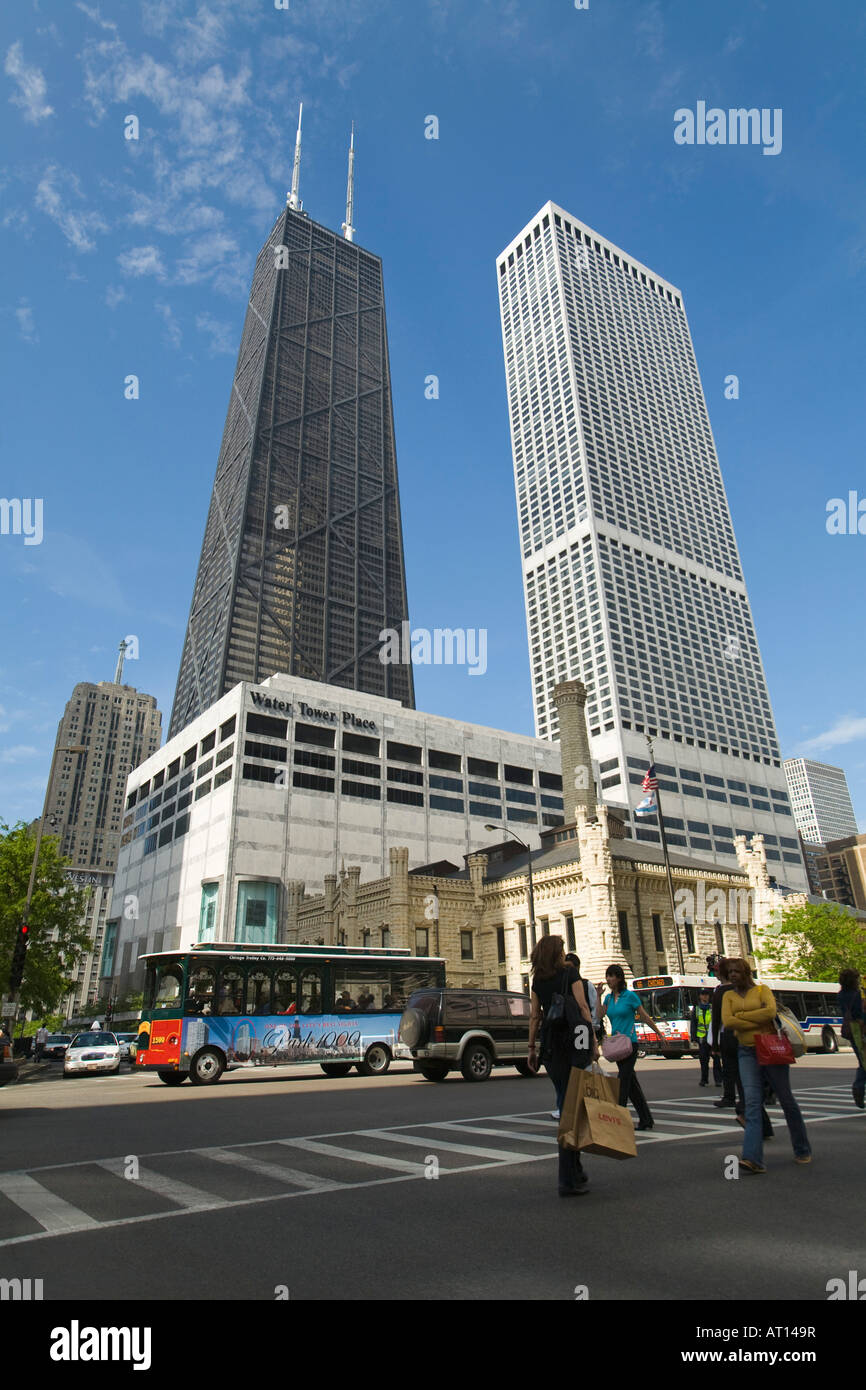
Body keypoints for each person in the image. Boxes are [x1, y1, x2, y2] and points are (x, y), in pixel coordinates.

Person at [722, 958, 811, 1174]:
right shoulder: (728, 996)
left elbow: (770, 1013)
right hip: (746, 1051)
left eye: (736, 971)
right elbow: (728, 1021)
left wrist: (741, 1017)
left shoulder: (762, 990)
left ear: (745, 973)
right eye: (729, 972)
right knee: (752, 1103)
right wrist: (754, 1020)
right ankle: (753, 1159)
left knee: (786, 1099)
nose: (732, 975)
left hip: (770, 1047)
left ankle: (802, 1148)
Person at [528, 934, 596, 1197]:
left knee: (568, 1106)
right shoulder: (571, 975)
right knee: (571, 1113)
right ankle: (567, 1179)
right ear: (557, 953)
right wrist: (593, 1042)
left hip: (551, 1049)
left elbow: (535, 1016)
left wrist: (532, 1049)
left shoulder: (538, 980)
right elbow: (582, 1007)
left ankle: (575, 1171)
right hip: (574, 1047)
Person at [597, 964, 665, 1130]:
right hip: (617, 1045)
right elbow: (599, 1015)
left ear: (619, 978)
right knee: (632, 1085)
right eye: (607, 976)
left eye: (612, 976)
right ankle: (646, 1119)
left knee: (623, 1082)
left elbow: (644, 1016)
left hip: (630, 1043)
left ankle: (617, 1117)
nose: (608, 979)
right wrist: (598, 997)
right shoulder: (608, 998)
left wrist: (659, 1033)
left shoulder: (630, 997)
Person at [837, 968, 865, 1109]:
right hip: (861, 1028)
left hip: (851, 1030)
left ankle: (859, 1088)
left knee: (862, 1060)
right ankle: (859, 1087)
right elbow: (861, 1012)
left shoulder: (841, 995)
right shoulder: (857, 994)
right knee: (864, 1063)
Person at [691, 989, 722, 1087]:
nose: (704, 997)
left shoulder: (713, 1008)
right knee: (704, 1061)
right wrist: (693, 1037)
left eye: (706, 995)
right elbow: (694, 1023)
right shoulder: (696, 1009)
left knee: (716, 1060)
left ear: (709, 996)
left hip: (713, 1038)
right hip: (702, 1038)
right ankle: (704, 1080)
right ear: (700, 996)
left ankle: (718, 1080)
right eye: (703, 995)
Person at [565, 954, 601, 1037]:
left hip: (583, 1030)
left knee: (583, 1049)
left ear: (577, 968)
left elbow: (593, 1008)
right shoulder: (563, 986)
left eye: (569, 967)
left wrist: (592, 1029)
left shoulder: (587, 985)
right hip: (567, 1031)